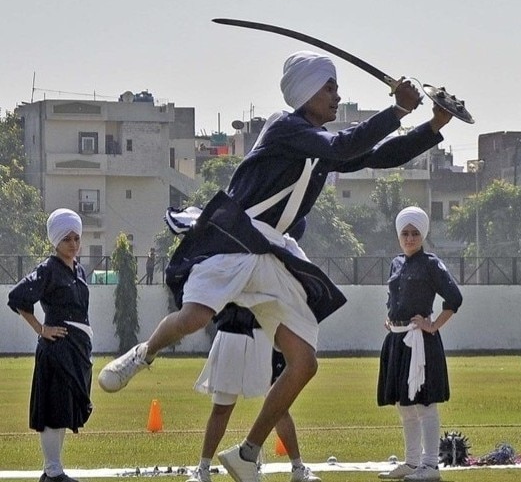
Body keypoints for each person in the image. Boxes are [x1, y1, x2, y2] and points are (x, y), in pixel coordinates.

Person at [98, 51, 455, 482]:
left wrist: (432, 126)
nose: (337, 95)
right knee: (195, 316)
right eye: (330, 87)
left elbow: (378, 155)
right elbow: (346, 143)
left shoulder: (319, 144)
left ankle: (248, 452)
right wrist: (396, 108)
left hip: (273, 253)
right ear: (305, 92)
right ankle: (143, 354)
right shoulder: (286, 127)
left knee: (304, 362)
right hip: (235, 237)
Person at [186, 304, 320, 482]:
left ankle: (298, 468)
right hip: (232, 332)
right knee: (221, 407)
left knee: (279, 407)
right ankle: (202, 470)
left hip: (264, 334)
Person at [377, 207, 462, 481]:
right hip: (397, 340)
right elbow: (393, 297)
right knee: (404, 404)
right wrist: (390, 318)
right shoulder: (396, 263)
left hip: (420, 342)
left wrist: (433, 325)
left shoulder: (431, 264)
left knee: (424, 404)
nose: (410, 238)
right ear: (399, 235)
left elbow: (454, 298)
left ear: (423, 235)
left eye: (415, 233)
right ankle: (412, 462)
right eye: (405, 233)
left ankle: (430, 465)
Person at [8, 209, 93, 482]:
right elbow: (19, 296)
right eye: (67, 238)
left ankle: (55, 469)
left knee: (65, 409)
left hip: (76, 350)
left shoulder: (77, 268)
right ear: (56, 241)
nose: (73, 243)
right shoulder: (48, 269)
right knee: (53, 409)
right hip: (57, 350)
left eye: (76, 238)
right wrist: (41, 329)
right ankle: (52, 471)